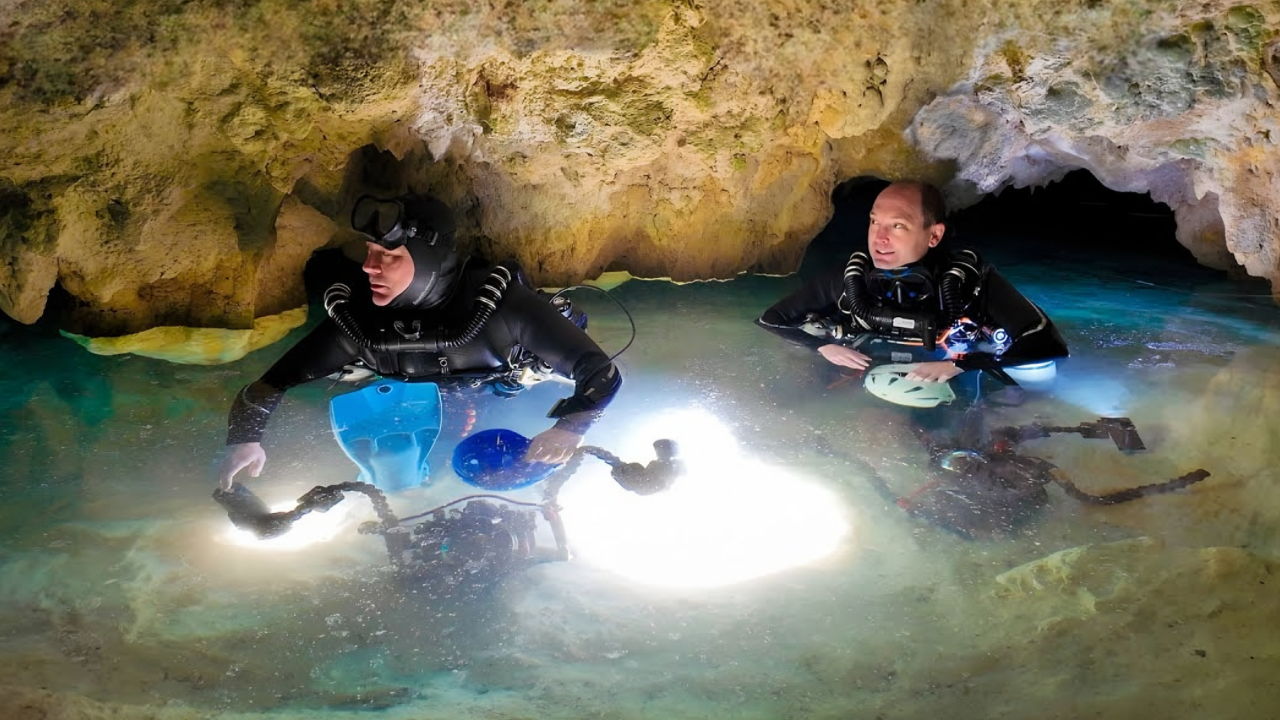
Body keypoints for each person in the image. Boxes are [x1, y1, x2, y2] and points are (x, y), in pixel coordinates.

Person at [216, 192, 621, 491]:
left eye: (389, 257)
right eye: (370, 252)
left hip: (502, 377)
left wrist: (571, 428)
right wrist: (244, 440)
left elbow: (600, 374)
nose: (370, 267)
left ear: (428, 261)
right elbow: (269, 385)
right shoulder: (359, 324)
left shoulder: (503, 309)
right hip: (420, 388)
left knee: (517, 390)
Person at [757, 180, 1068, 402]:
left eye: (898, 226)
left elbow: (1048, 344)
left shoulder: (970, 283)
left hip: (953, 377)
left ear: (934, 235)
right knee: (796, 356)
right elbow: (772, 319)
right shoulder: (846, 279)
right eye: (874, 222)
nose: (879, 238)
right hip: (867, 369)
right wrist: (822, 347)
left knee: (1037, 376)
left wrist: (958, 365)